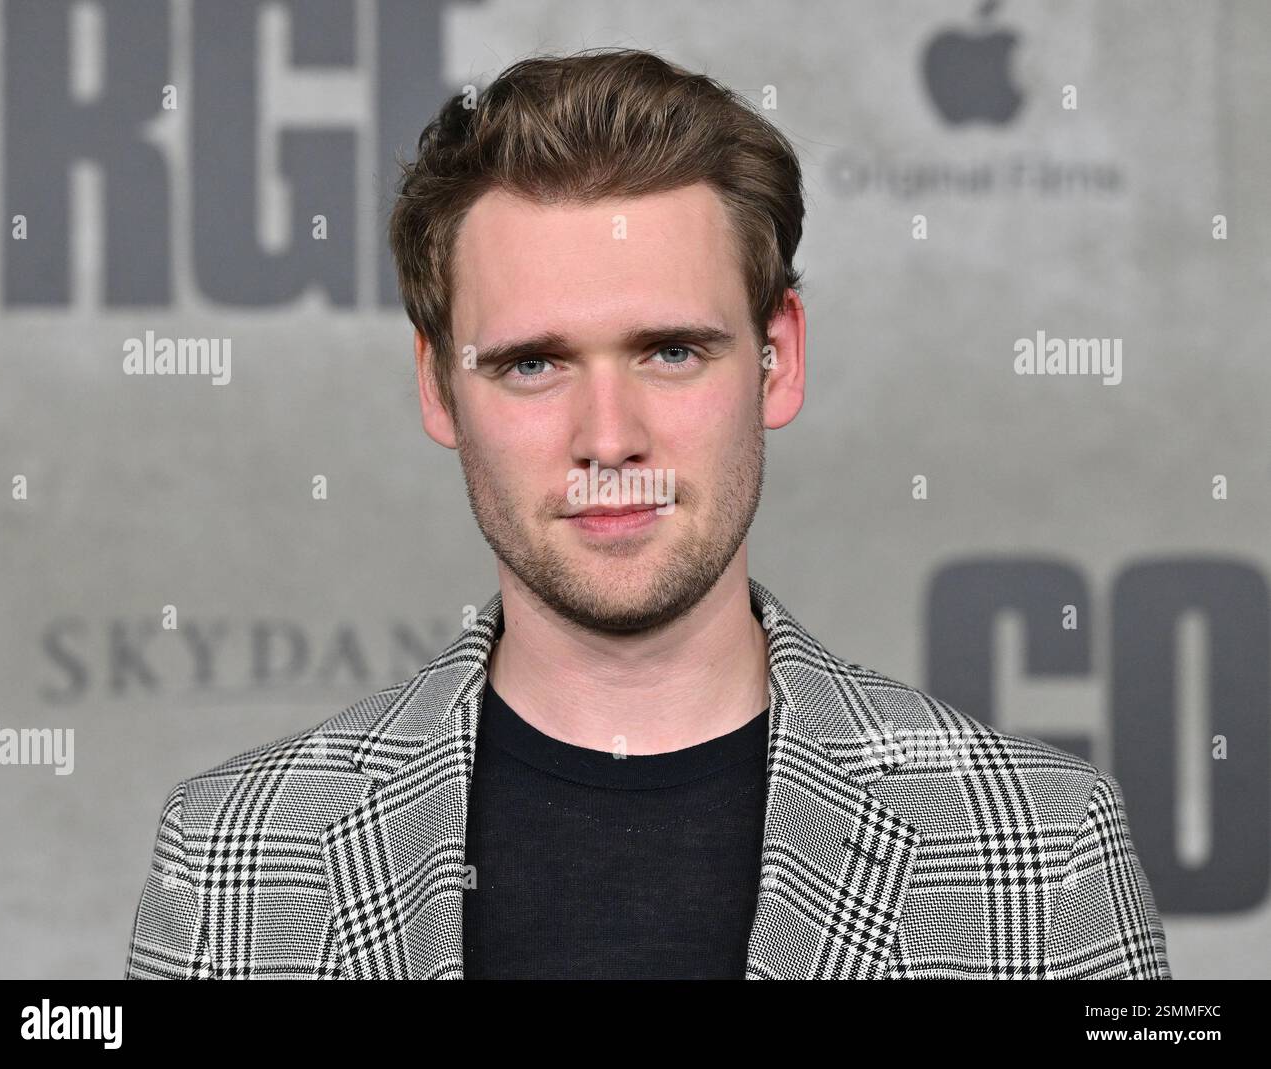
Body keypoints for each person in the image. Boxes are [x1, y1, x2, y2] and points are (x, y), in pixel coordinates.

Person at [125, 47, 1169, 980]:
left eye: (671, 351)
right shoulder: (236, 856)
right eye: (533, 363)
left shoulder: (1039, 844)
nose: (609, 435)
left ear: (779, 358)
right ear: (440, 390)